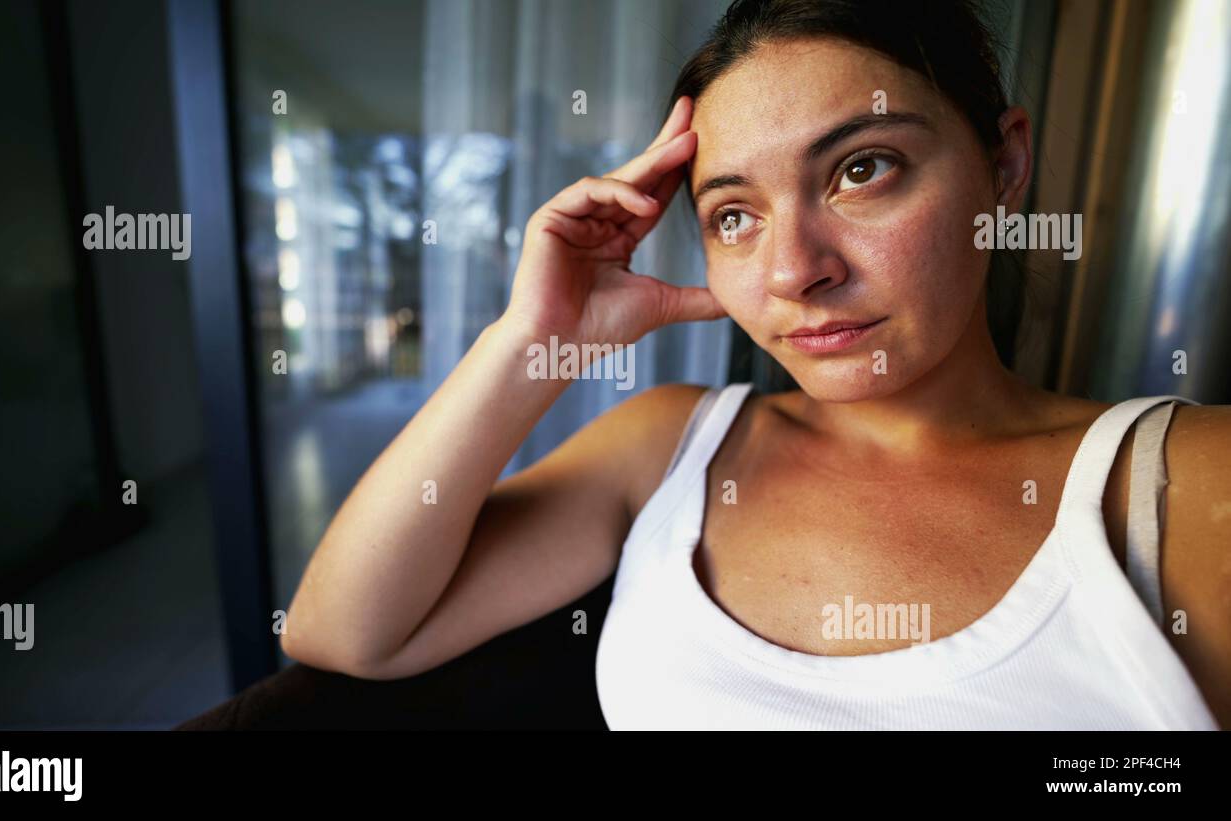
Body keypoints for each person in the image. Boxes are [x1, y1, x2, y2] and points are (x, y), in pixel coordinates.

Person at [281, 0, 1229, 729]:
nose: (793, 270)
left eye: (862, 169)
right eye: (734, 214)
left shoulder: (1188, 487)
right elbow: (345, 630)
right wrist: (532, 341)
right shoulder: (674, 445)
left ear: (1005, 167)